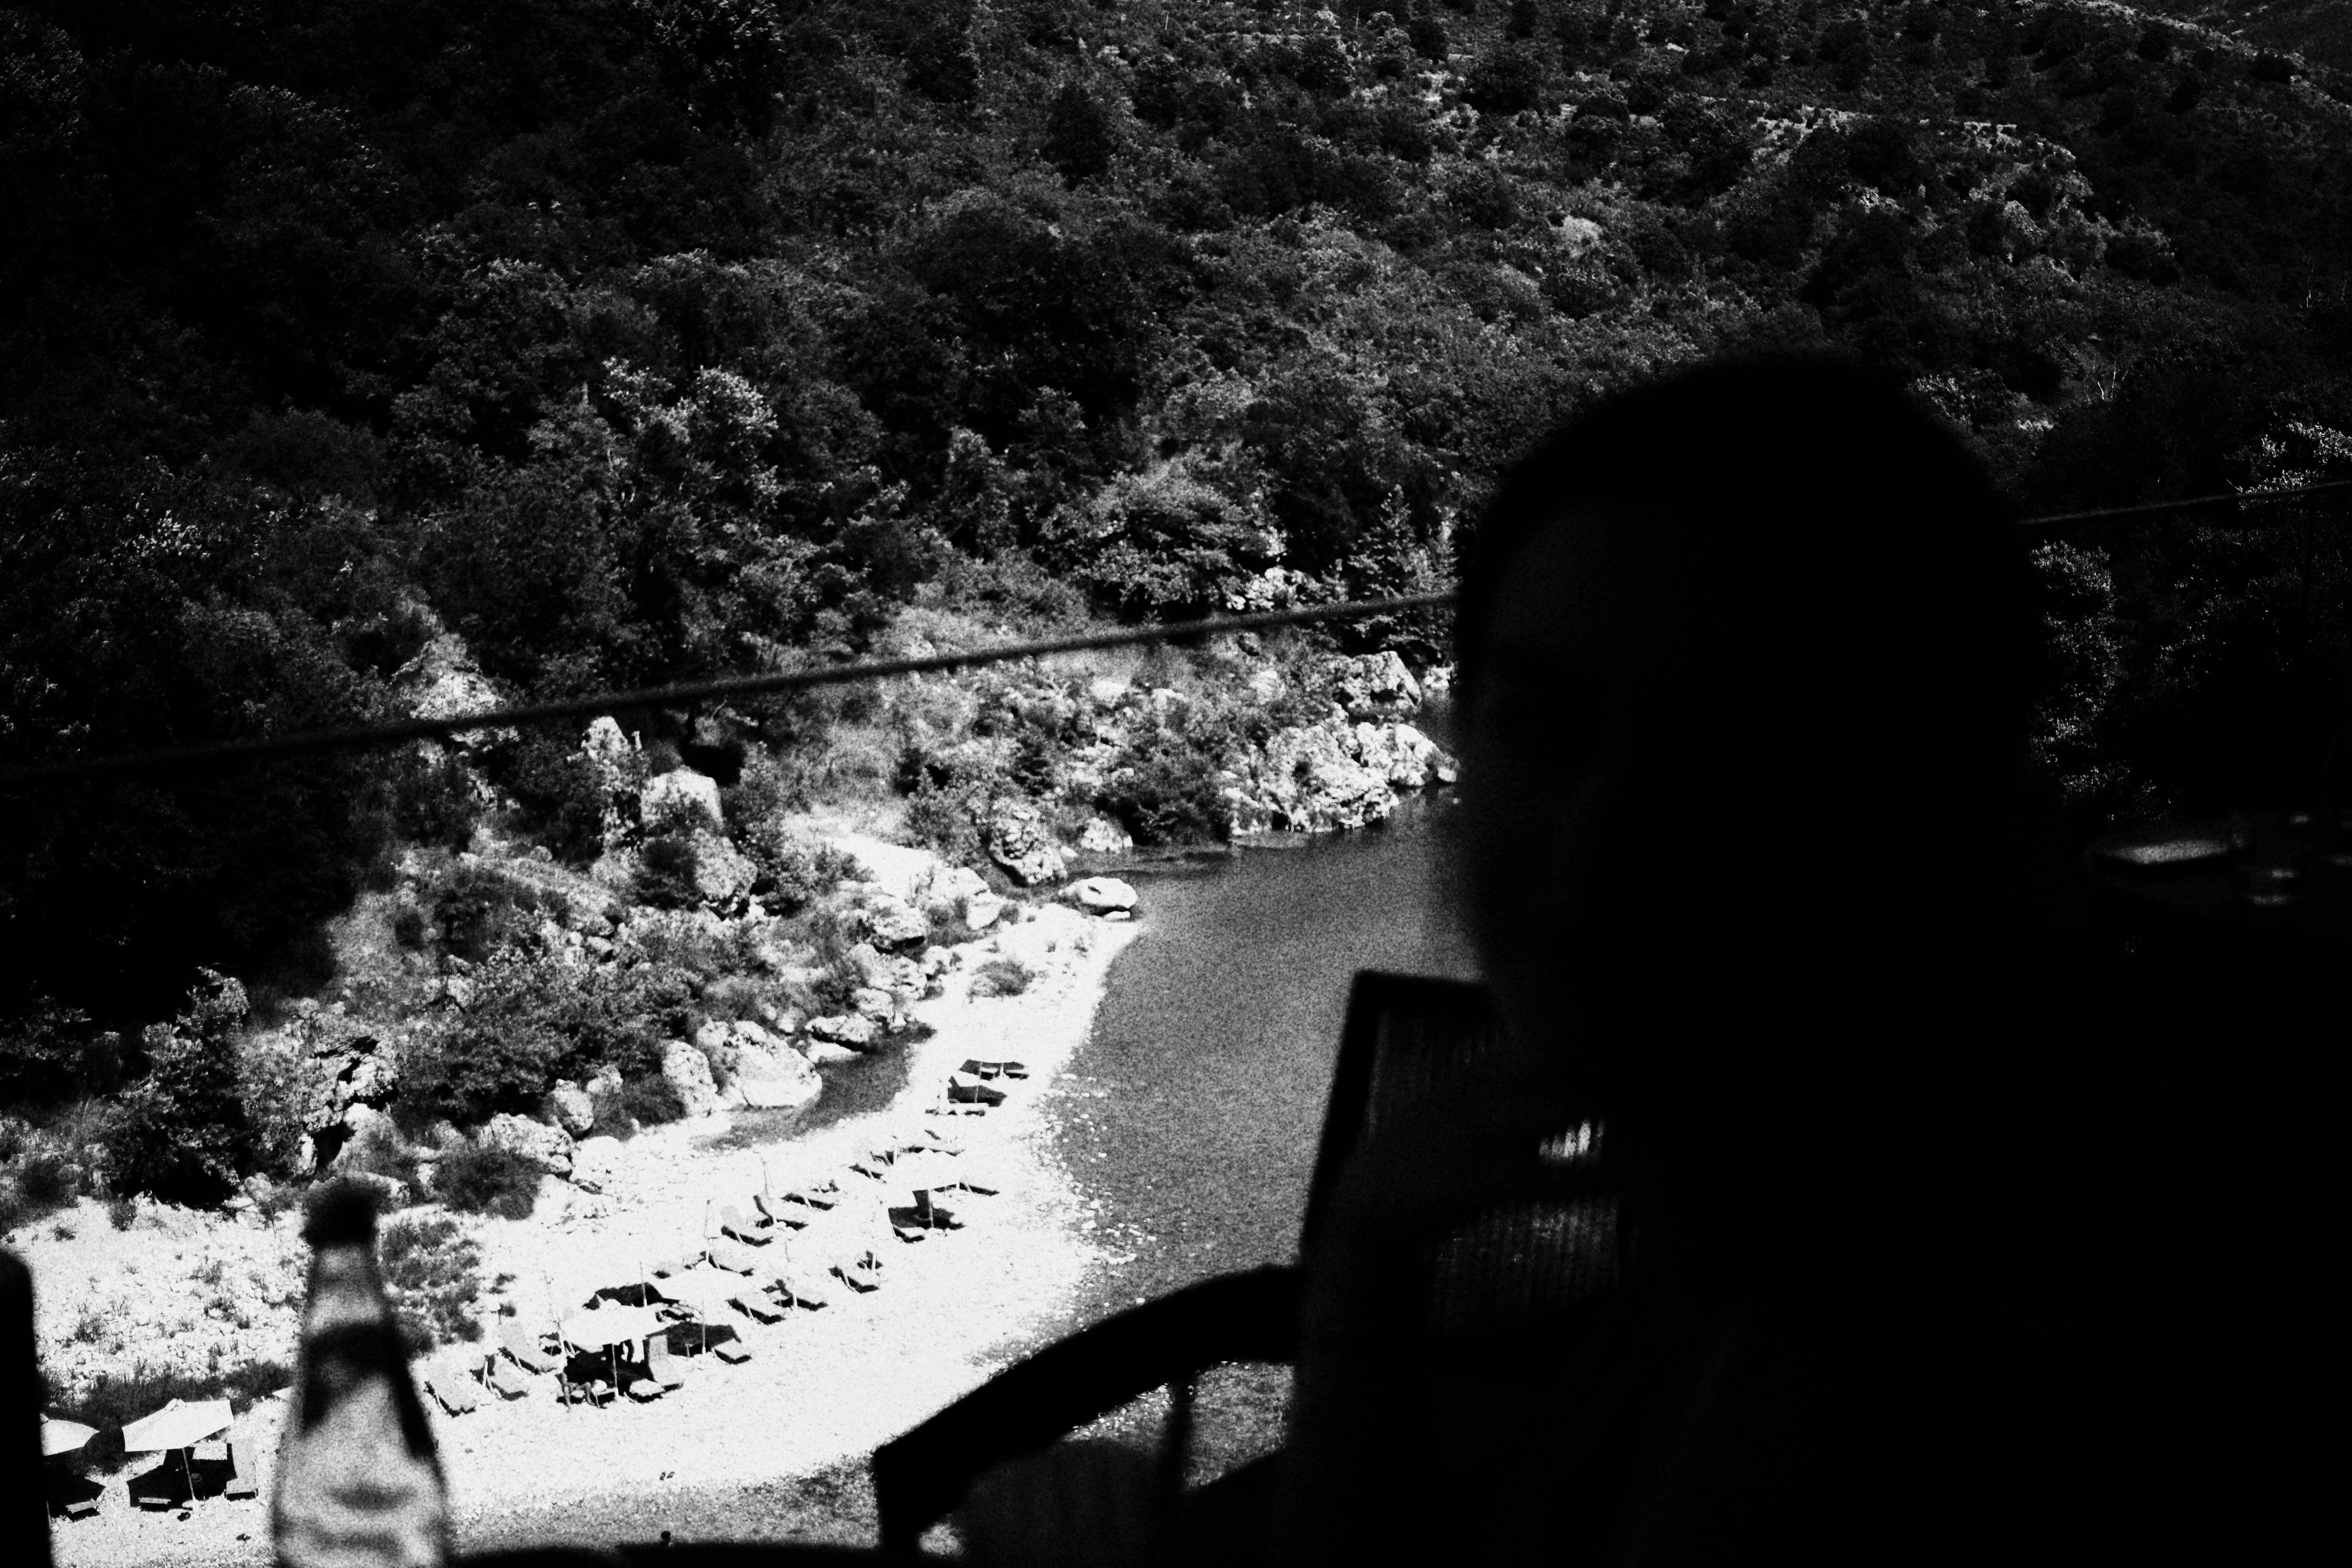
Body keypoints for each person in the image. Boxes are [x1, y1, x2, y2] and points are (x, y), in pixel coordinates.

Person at [960, 353, 2166, 1566]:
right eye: (1543, 727)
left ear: (1928, 819)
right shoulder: (1737, 1255)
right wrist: (1370, 1265)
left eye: (1735, 753)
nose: (1601, 839)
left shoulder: (1899, 1374)